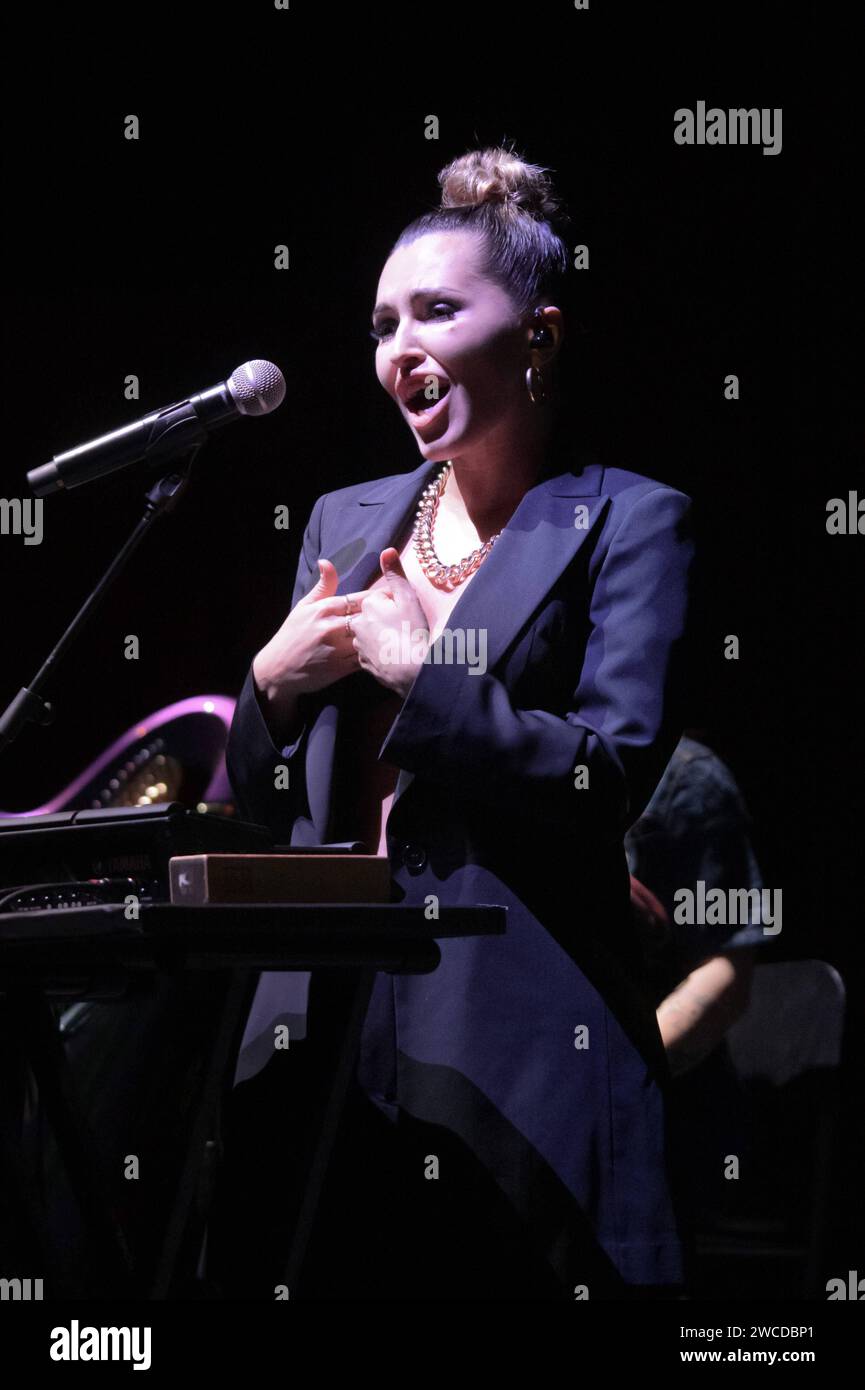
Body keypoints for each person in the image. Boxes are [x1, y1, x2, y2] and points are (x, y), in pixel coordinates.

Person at [211, 144, 696, 1301]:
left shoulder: (629, 519)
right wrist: (268, 693)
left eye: (435, 311)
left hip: (520, 1024)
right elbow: (269, 806)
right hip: (323, 1023)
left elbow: (608, 774)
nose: (398, 352)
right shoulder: (346, 517)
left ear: (537, 333)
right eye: (382, 324)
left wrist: (429, 681)